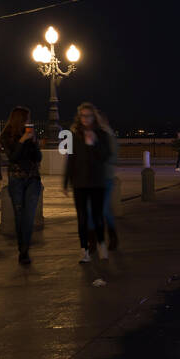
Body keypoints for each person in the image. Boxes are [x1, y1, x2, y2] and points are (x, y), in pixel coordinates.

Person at [63, 102, 113, 262]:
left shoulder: (102, 134)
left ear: (94, 117)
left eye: (89, 115)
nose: (86, 118)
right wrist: (65, 182)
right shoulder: (73, 135)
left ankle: (101, 244)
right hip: (80, 183)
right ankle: (84, 249)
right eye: (83, 115)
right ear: (79, 117)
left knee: (98, 216)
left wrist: (94, 144)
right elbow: (70, 160)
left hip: (97, 182)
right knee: (82, 218)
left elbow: (106, 156)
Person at [0, 107, 43, 265]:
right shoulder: (6, 136)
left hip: (33, 179)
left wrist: (34, 143)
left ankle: (25, 249)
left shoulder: (31, 135)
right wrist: (22, 140)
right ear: (20, 119)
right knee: (19, 216)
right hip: (16, 180)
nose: (28, 121)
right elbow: (13, 157)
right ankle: (22, 250)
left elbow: (38, 157)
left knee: (29, 216)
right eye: (26, 118)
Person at [96, 109, 119, 250]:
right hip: (96, 177)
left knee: (104, 209)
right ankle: (99, 239)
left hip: (106, 177)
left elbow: (113, 157)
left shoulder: (108, 136)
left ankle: (112, 236)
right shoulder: (97, 135)